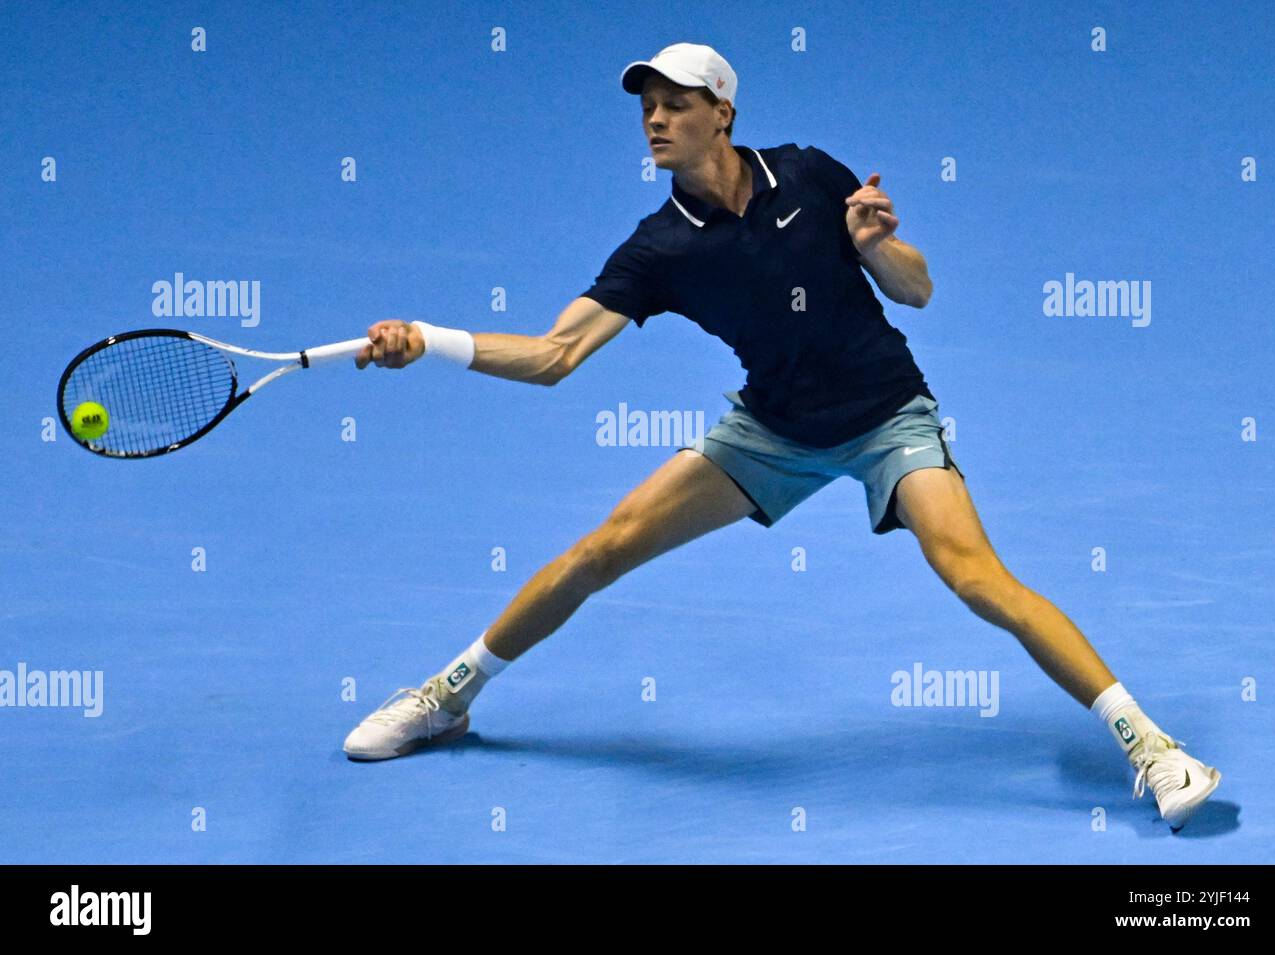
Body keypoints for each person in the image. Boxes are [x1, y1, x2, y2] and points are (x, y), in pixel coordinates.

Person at [341, 42, 1219, 831]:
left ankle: (1154, 746)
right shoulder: (659, 249)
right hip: (770, 429)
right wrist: (429, 339)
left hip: (885, 416)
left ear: (721, 112)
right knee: (598, 550)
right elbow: (553, 354)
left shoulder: (806, 173)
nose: (655, 117)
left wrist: (875, 245)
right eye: (645, 104)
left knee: (977, 577)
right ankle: (447, 698)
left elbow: (916, 291)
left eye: (675, 102)